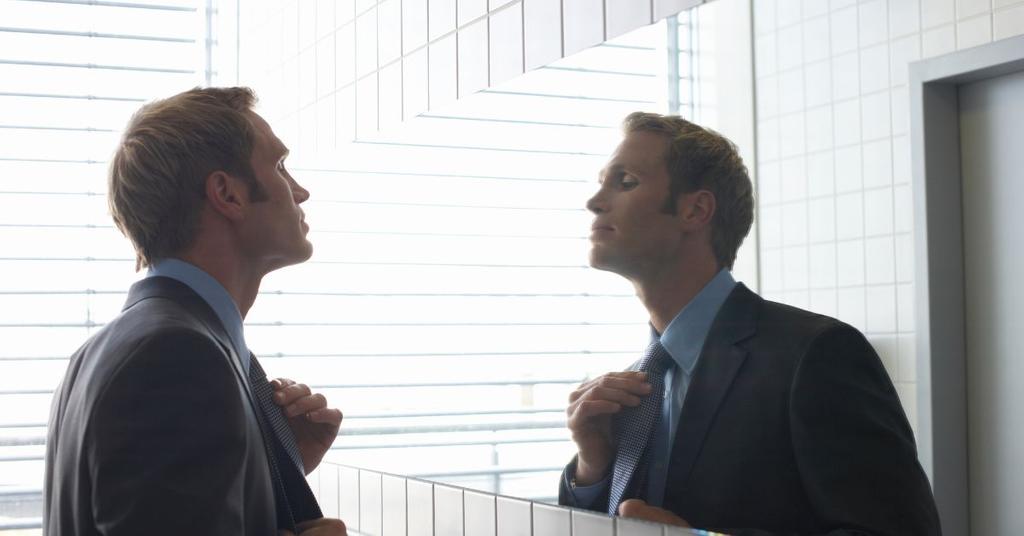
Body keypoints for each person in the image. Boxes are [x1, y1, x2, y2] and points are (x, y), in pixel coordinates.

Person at [558, 112, 941, 534]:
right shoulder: (634, 389)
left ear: (695, 210)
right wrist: (593, 467)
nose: (594, 201)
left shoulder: (817, 355)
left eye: (625, 181)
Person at [43, 87, 347, 536]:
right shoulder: (173, 355)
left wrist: (270, 461)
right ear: (228, 194)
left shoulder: (109, 350)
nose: (301, 191)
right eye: (280, 166)